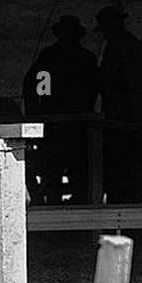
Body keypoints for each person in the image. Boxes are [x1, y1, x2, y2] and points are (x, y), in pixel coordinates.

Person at [22, 15, 100, 204]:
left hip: (62, 126)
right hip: (69, 126)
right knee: (69, 175)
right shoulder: (81, 58)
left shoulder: (52, 57)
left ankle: (64, 212)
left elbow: (38, 85)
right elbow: (39, 84)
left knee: (59, 175)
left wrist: (41, 109)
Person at [95, 4, 142, 204]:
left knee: (121, 180)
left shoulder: (118, 50)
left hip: (122, 127)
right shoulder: (139, 48)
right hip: (137, 126)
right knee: (133, 180)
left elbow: (109, 85)